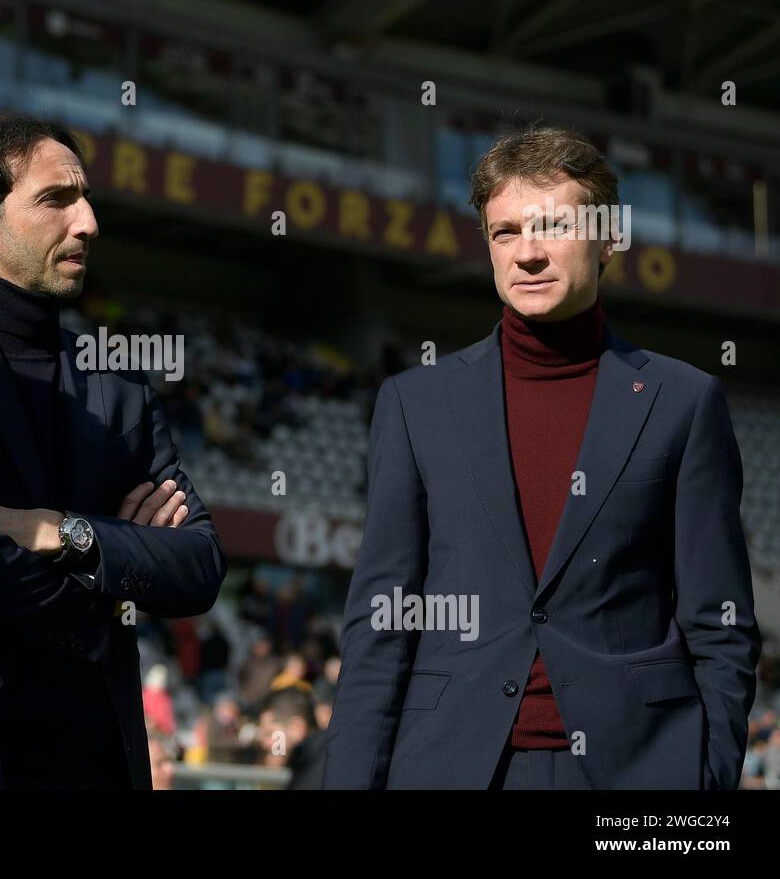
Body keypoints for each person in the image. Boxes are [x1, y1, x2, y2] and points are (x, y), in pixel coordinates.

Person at [323, 126, 759, 789]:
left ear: (610, 237)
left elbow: (720, 626)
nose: (527, 254)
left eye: (553, 226)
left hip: (637, 774)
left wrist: (704, 783)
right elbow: (380, 624)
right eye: (504, 233)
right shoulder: (417, 403)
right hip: (451, 768)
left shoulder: (684, 403)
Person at [0, 115, 226, 788]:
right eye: (55, 200)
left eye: (85, 198)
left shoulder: (118, 383)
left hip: (98, 765)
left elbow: (200, 566)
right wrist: (116, 577)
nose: (87, 222)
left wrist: (64, 533)